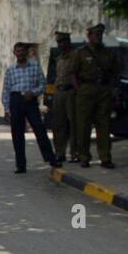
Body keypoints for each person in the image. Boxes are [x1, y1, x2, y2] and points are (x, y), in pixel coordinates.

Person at [66, 22, 120, 168]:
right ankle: (84, 156)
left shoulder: (108, 53)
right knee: (83, 126)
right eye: (96, 34)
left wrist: (112, 89)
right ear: (89, 36)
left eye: (100, 34)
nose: (99, 37)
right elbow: (72, 73)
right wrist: (79, 89)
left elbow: (115, 72)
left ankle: (105, 157)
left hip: (103, 90)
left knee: (104, 125)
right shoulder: (80, 53)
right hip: (86, 90)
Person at [1, 42, 60, 173]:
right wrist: (6, 109)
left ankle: (51, 159)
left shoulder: (35, 67)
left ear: (26, 52)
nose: (20, 53)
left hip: (30, 100)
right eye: (17, 51)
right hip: (16, 100)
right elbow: (6, 90)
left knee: (39, 129)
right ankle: (21, 165)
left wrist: (33, 92)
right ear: (14, 53)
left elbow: (43, 85)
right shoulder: (10, 69)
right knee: (17, 134)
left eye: (22, 51)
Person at [48, 31, 77, 163]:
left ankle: (75, 153)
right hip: (59, 92)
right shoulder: (59, 58)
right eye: (59, 42)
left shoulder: (76, 56)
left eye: (63, 41)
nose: (61, 44)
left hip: (71, 92)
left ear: (68, 41)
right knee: (58, 124)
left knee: (73, 124)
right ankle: (60, 152)